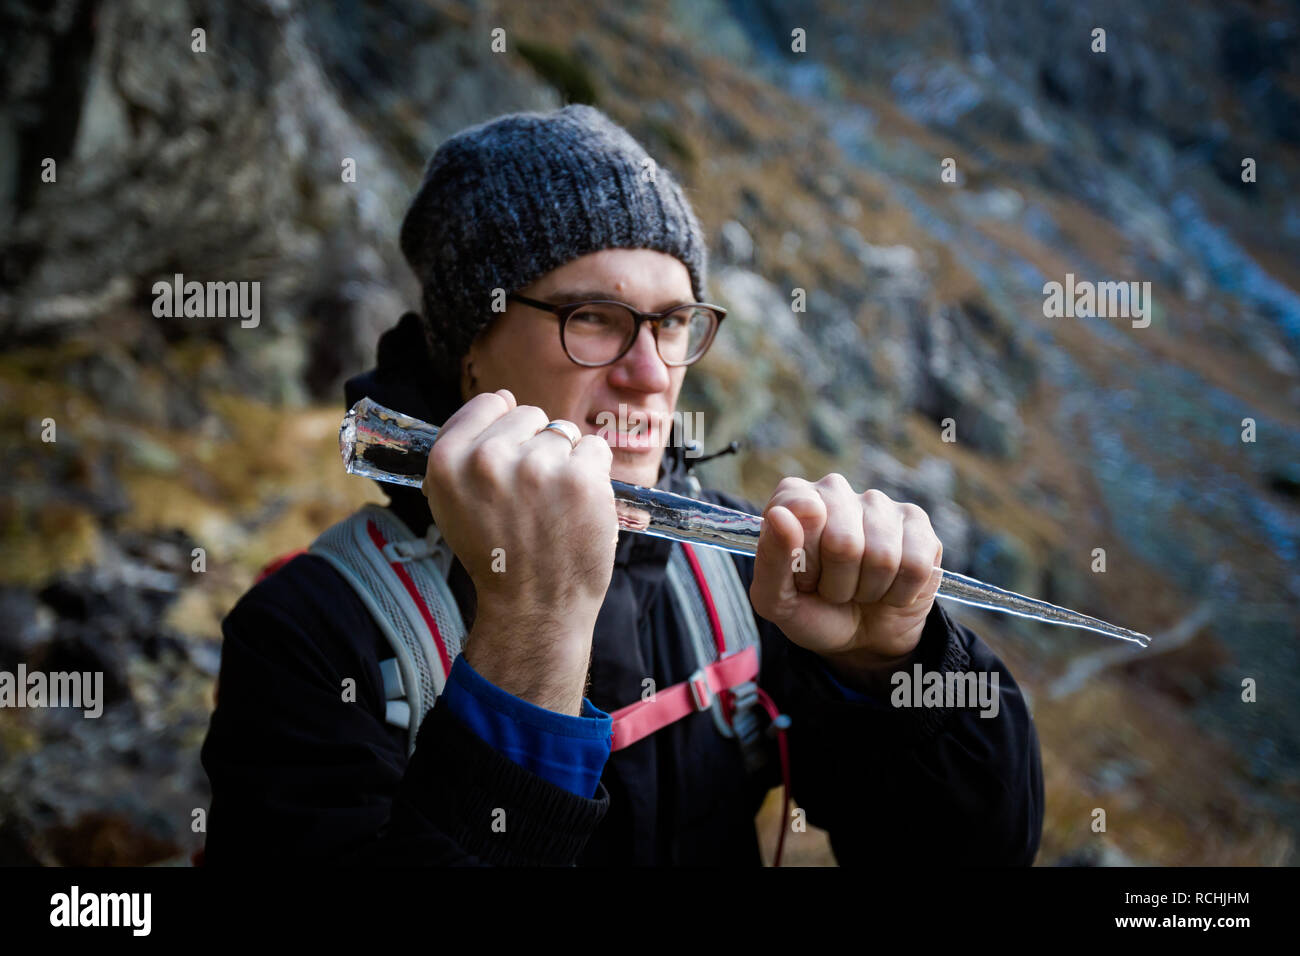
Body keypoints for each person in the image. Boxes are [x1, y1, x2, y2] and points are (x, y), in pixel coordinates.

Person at [199, 104, 1043, 866]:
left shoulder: (746, 577)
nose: (650, 375)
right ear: (470, 351)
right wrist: (531, 634)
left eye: (674, 321)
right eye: (592, 318)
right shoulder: (313, 636)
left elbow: (973, 855)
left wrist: (894, 671)